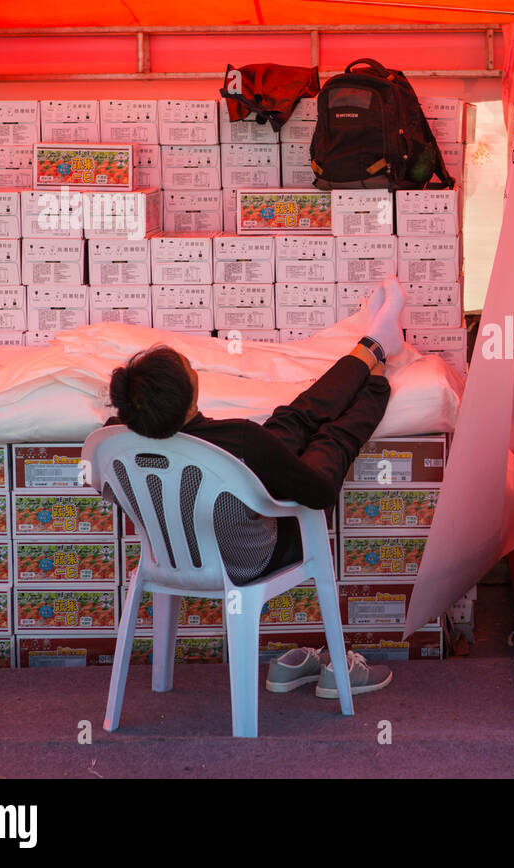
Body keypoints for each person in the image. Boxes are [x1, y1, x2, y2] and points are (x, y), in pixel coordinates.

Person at [103, 276, 409, 697]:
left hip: (168, 559)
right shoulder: (238, 440)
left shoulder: (114, 439)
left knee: (290, 420)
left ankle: (372, 347)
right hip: (253, 556)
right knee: (328, 444)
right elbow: (318, 496)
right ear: (190, 397)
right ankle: (379, 373)